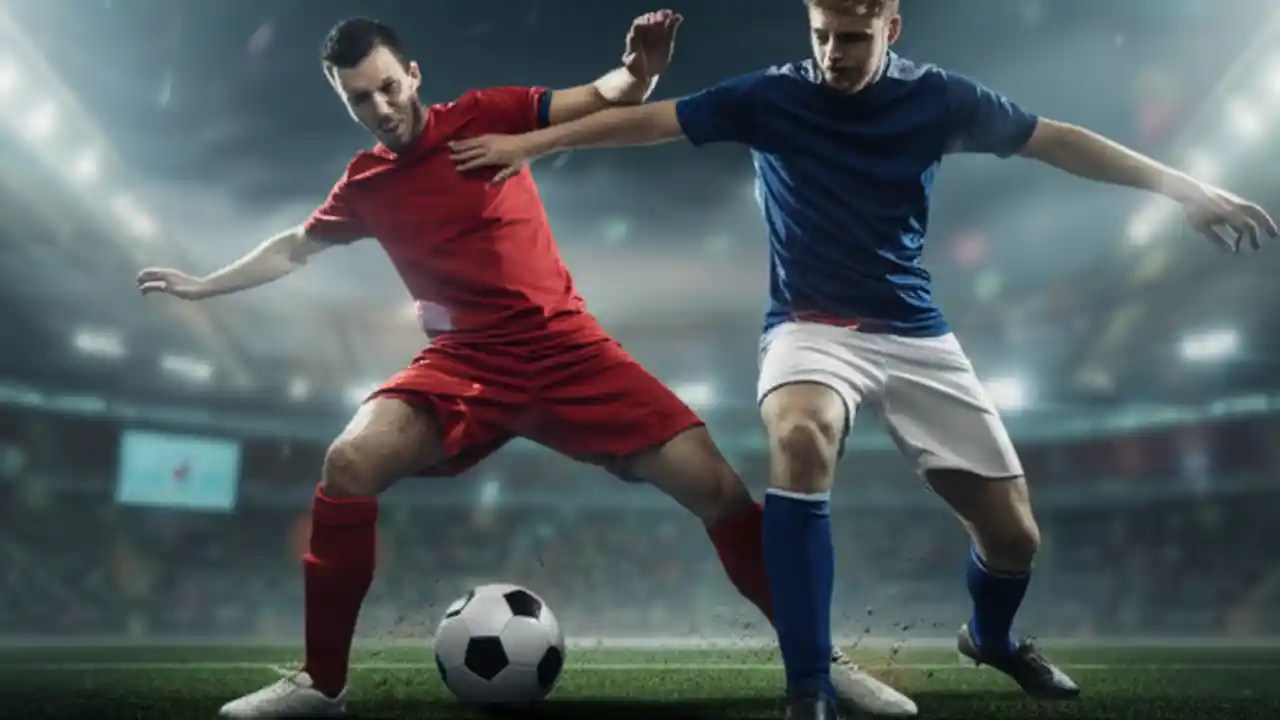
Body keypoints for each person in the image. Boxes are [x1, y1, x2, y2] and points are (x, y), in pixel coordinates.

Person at [447, 0, 1280, 718]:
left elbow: (1055, 140)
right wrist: (533, 147)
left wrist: (1190, 189)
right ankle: (809, 682)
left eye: (852, 36)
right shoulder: (771, 95)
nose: (833, 54)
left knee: (1014, 538)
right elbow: (650, 121)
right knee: (800, 435)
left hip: (915, 334)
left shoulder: (939, 98)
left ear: (891, 27)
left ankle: (991, 639)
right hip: (809, 328)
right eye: (820, 34)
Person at [136, 11, 912, 720]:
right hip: (463, 364)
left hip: (568, 352)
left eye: (386, 87)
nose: (379, 107)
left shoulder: (486, 115)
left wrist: (638, 71)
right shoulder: (365, 184)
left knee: (718, 490)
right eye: (359, 99)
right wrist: (204, 286)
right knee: (348, 462)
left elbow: (601, 97)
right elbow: (294, 248)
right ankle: (320, 685)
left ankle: (819, 663)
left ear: (412, 75)